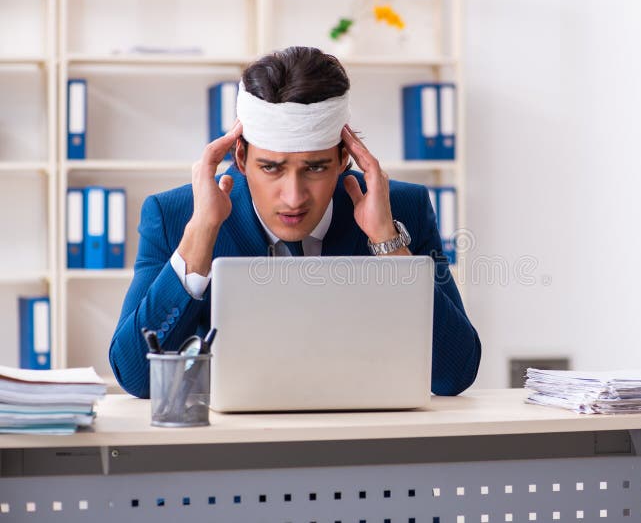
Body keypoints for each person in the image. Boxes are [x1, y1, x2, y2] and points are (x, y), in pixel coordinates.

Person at [109, 46, 481, 399]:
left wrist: (387, 241)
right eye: (271, 168)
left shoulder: (402, 208)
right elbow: (138, 379)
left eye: (315, 168)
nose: (294, 197)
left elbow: (454, 374)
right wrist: (202, 234)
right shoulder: (174, 216)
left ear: (343, 159)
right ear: (240, 156)